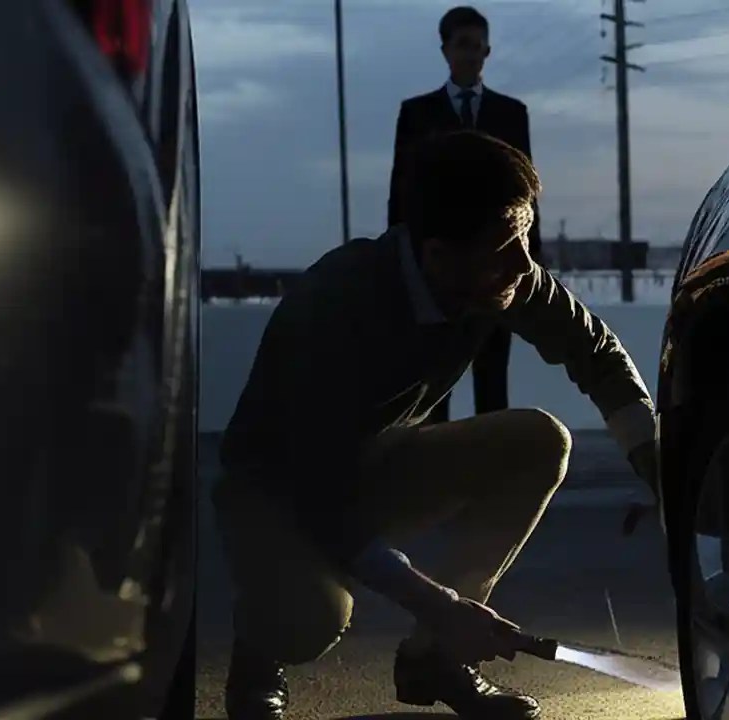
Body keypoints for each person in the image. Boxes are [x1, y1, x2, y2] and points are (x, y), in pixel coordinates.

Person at [216, 130, 658, 720]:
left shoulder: (501, 275)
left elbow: (596, 352)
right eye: (506, 244)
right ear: (438, 256)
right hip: (276, 492)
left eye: (526, 235)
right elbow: (319, 500)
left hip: (373, 461)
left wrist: (657, 464)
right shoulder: (335, 304)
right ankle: (260, 644)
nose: (524, 264)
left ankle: (436, 657)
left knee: (539, 441)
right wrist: (439, 601)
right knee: (310, 620)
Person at [388, 5, 541, 423]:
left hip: (496, 268)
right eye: (462, 45)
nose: (470, 54)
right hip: (436, 271)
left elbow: (527, 193)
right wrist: (400, 264)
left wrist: (531, 266)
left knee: (493, 379)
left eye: (477, 46)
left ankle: (491, 478)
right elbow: (400, 194)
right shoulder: (417, 114)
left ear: (487, 51)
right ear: (445, 51)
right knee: (432, 385)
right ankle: (436, 477)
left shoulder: (510, 115)